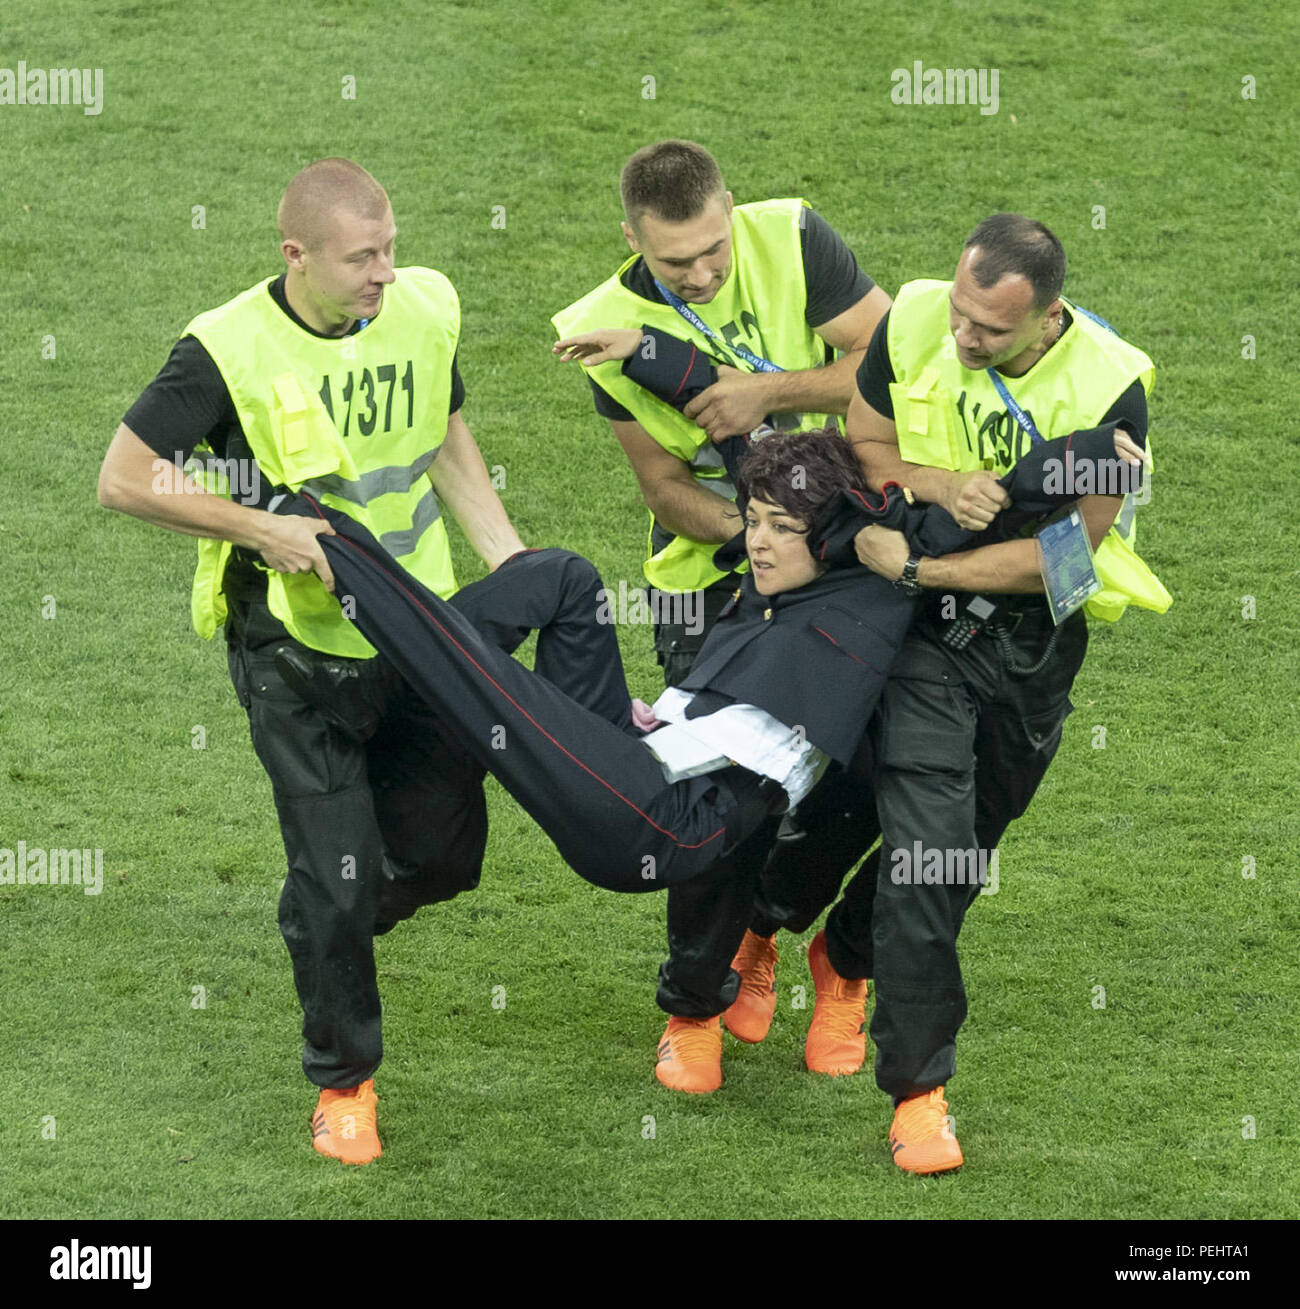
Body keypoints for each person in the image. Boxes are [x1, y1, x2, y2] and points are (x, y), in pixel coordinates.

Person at [96, 157, 527, 1166]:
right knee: (338, 879)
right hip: (296, 652)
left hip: (420, 633)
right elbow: (122, 479)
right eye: (361, 257)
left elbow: (444, 438)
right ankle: (344, 1082)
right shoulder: (223, 349)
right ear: (296, 257)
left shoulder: (422, 308)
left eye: (390, 248)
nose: (385, 272)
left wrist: (507, 558)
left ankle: (319, 917)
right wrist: (258, 527)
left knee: (443, 858)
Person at [733, 213, 1170, 1174]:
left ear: (1048, 318)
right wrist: (943, 484)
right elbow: (866, 448)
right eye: (963, 315)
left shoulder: (1111, 391)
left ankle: (840, 957)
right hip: (920, 641)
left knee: (960, 856)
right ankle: (919, 1093)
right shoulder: (920, 319)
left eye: (991, 332)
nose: (964, 340)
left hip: (1027, 645)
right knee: (922, 845)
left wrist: (929, 567)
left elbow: (1070, 561)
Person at [551, 139, 890, 1084]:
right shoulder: (605, 328)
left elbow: (892, 365)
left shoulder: (791, 237)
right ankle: (695, 1004)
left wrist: (767, 394)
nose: (700, 274)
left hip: (851, 563)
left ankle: (792, 938)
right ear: (631, 239)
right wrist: (768, 547)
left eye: (712, 251)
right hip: (715, 569)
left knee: (873, 766)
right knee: (719, 800)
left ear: (731, 210)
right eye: (675, 263)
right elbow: (663, 486)